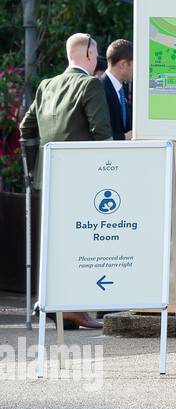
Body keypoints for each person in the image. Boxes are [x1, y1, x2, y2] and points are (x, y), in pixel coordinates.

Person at [19, 32, 113, 330]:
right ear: (88, 55)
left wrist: (35, 167)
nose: (97, 60)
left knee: (56, 242)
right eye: (96, 55)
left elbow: (26, 127)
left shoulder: (47, 86)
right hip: (83, 180)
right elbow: (102, 134)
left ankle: (57, 304)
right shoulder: (90, 84)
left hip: (49, 179)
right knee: (84, 241)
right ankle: (73, 307)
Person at [102, 39, 133, 141]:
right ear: (123, 64)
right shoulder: (99, 88)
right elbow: (99, 134)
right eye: (134, 64)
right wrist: (124, 137)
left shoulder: (122, 88)